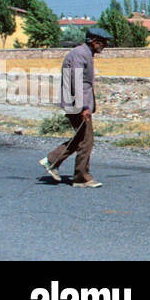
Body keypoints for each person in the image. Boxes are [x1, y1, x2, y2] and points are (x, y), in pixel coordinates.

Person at [39, 28, 111, 188]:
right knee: (87, 140)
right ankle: (81, 178)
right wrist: (83, 106)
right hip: (77, 104)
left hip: (78, 104)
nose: (104, 46)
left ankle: (52, 160)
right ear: (94, 41)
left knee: (81, 138)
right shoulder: (80, 54)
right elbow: (77, 82)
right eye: (103, 42)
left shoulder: (85, 53)